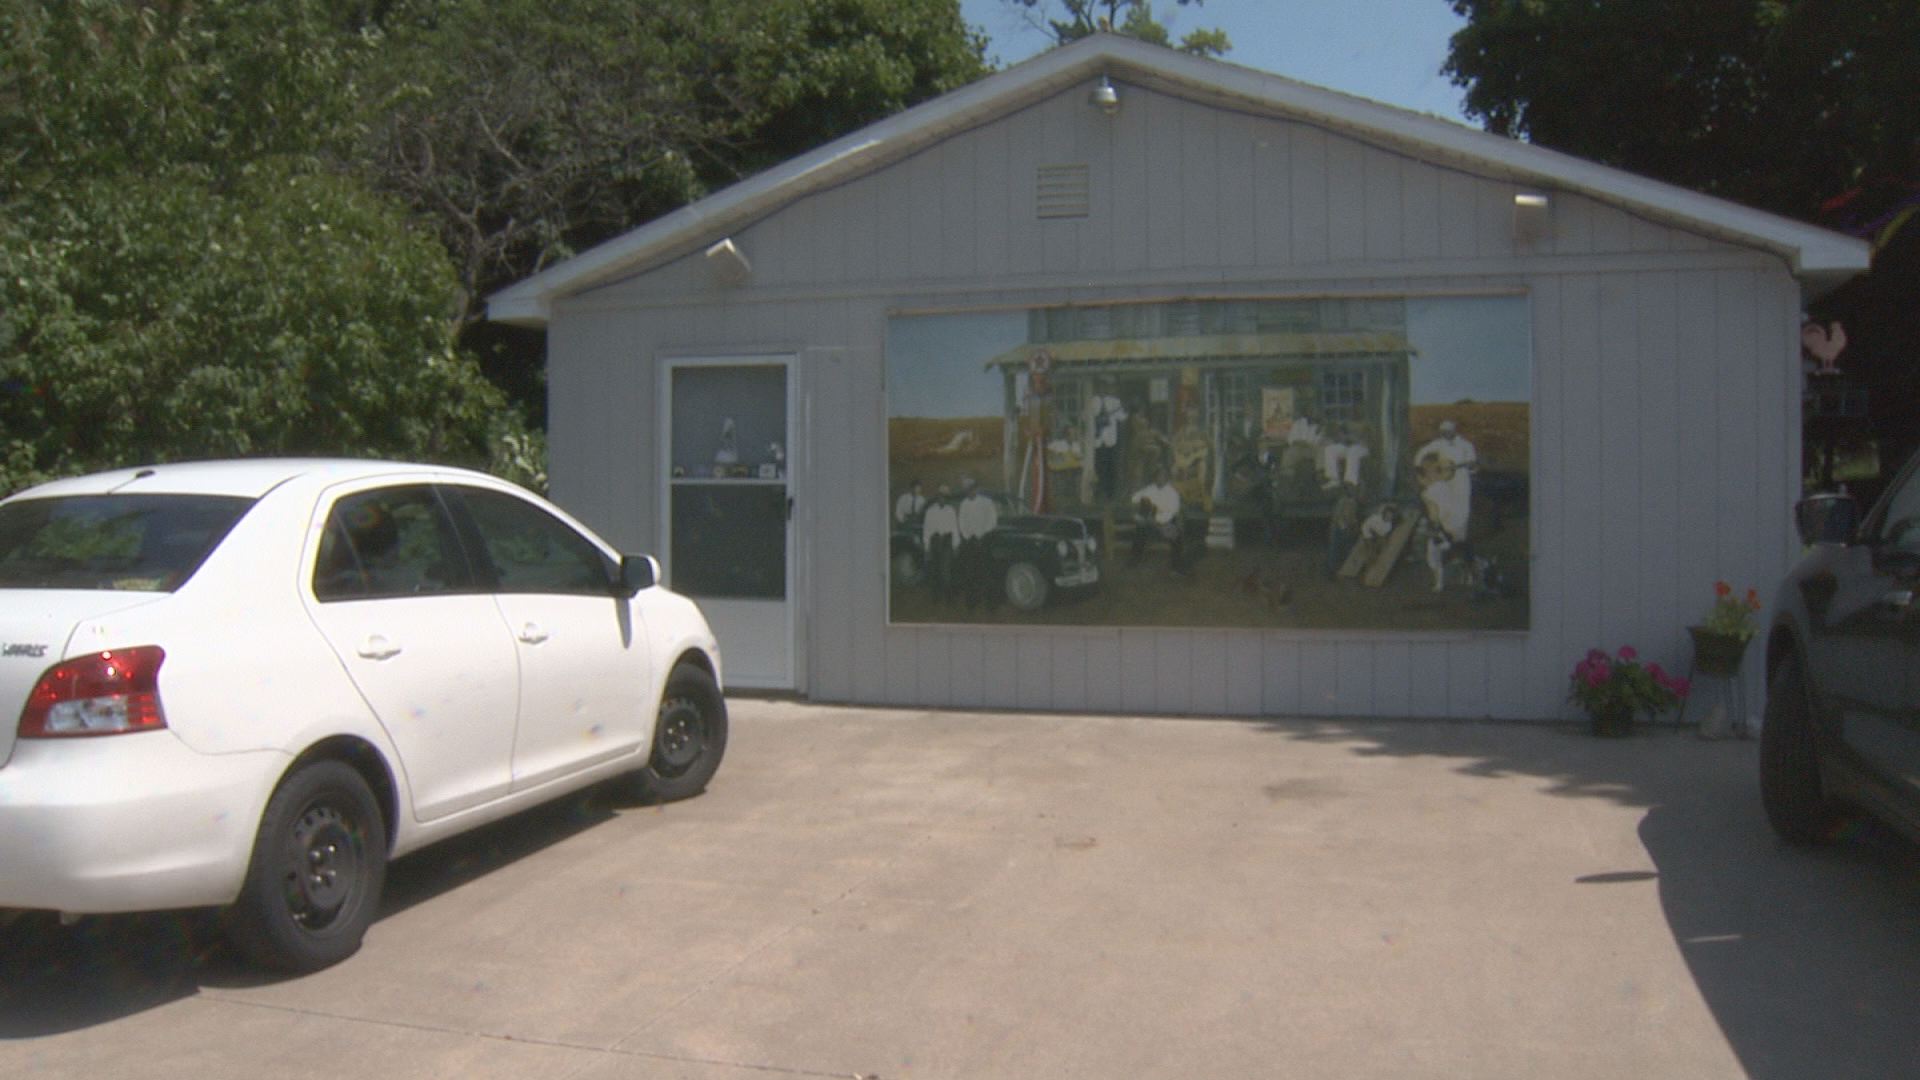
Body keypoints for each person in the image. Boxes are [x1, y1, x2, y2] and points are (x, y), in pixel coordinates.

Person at [1415, 419, 1477, 545]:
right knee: (1445, 506)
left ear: (1454, 431)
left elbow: (1472, 464)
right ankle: (1445, 536)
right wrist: (1419, 467)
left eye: (1448, 432)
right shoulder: (1439, 443)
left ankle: (1459, 538)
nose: (1445, 434)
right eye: (1442, 432)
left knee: (1462, 508)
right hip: (1444, 479)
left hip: (1461, 480)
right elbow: (1422, 452)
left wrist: (1469, 466)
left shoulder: (1466, 445)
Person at [1130, 467, 1188, 574]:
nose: (1160, 478)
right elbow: (1134, 498)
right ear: (1154, 477)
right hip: (1150, 524)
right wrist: (1144, 501)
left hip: (1165, 523)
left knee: (1176, 536)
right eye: (1158, 476)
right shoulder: (1149, 489)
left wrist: (1159, 515)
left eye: (1163, 476)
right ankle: (1134, 562)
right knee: (1139, 530)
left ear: (1167, 478)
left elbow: (1173, 511)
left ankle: (1177, 567)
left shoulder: (1172, 493)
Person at [955, 476, 1000, 610]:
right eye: (967, 490)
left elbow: (992, 520)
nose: (970, 492)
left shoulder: (987, 502)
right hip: (970, 542)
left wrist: (982, 535)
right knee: (970, 573)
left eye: (972, 489)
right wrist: (968, 536)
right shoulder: (964, 504)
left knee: (987, 572)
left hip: (985, 540)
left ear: (976, 489)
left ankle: (990, 604)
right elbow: (961, 522)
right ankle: (972, 602)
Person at [1088, 382, 1127, 501]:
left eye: (1105, 386)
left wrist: (1124, 411)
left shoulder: (1114, 402)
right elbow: (1086, 416)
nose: (1103, 389)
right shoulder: (1092, 401)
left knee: (1111, 467)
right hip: (1097, 441)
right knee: (1099, 467)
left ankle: (1110, 494)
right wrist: (1097, 419)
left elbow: (1122, 417)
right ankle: (1100, 492)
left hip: (1110, 441)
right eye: (1100, 386)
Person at [921, 484, 959, 602]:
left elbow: (954, 529)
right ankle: (935, 597)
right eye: (941, 496)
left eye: (945, 497)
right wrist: (927, 547)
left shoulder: (951, 511)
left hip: (947, 541)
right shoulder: (930, 511)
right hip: (935, 541)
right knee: (935, 570)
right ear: (937, 497)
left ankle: (949, 597)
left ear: (947, 498)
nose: (943, 499)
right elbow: (927, 529)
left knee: (946, 571)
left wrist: (955, 545)